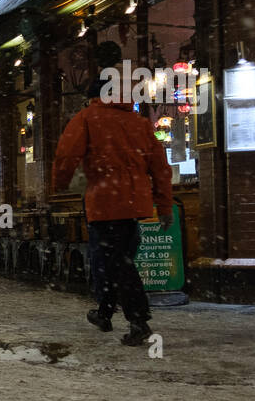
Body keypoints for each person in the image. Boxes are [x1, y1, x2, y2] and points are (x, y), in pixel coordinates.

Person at [52, 68, 174, 346]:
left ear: (95, 96)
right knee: (115, 259)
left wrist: (59, 185)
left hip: (104, 202)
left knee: (115, 263)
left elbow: (66, 154)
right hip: (135, 204)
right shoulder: (140, 123)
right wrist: (164, 205)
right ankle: (104, 313)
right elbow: (161, 168)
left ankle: (138, 319)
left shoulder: (87, 118)